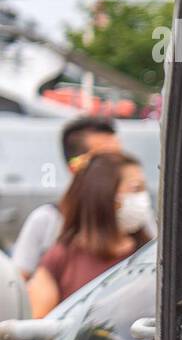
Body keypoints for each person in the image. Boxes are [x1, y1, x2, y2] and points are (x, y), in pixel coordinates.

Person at [9, 116, 155, 279]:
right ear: (76, 167)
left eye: (120, 158)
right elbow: (18, 284)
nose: (119, 168)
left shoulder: (137, 219)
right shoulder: (47, 222)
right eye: (105, 161)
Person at [26, 152, 152, 317]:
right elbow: (37, 326)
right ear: (105, 195)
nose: (143, 197)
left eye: (144, 189)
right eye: (136, 189)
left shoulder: (150, 255)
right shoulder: (60, 258)